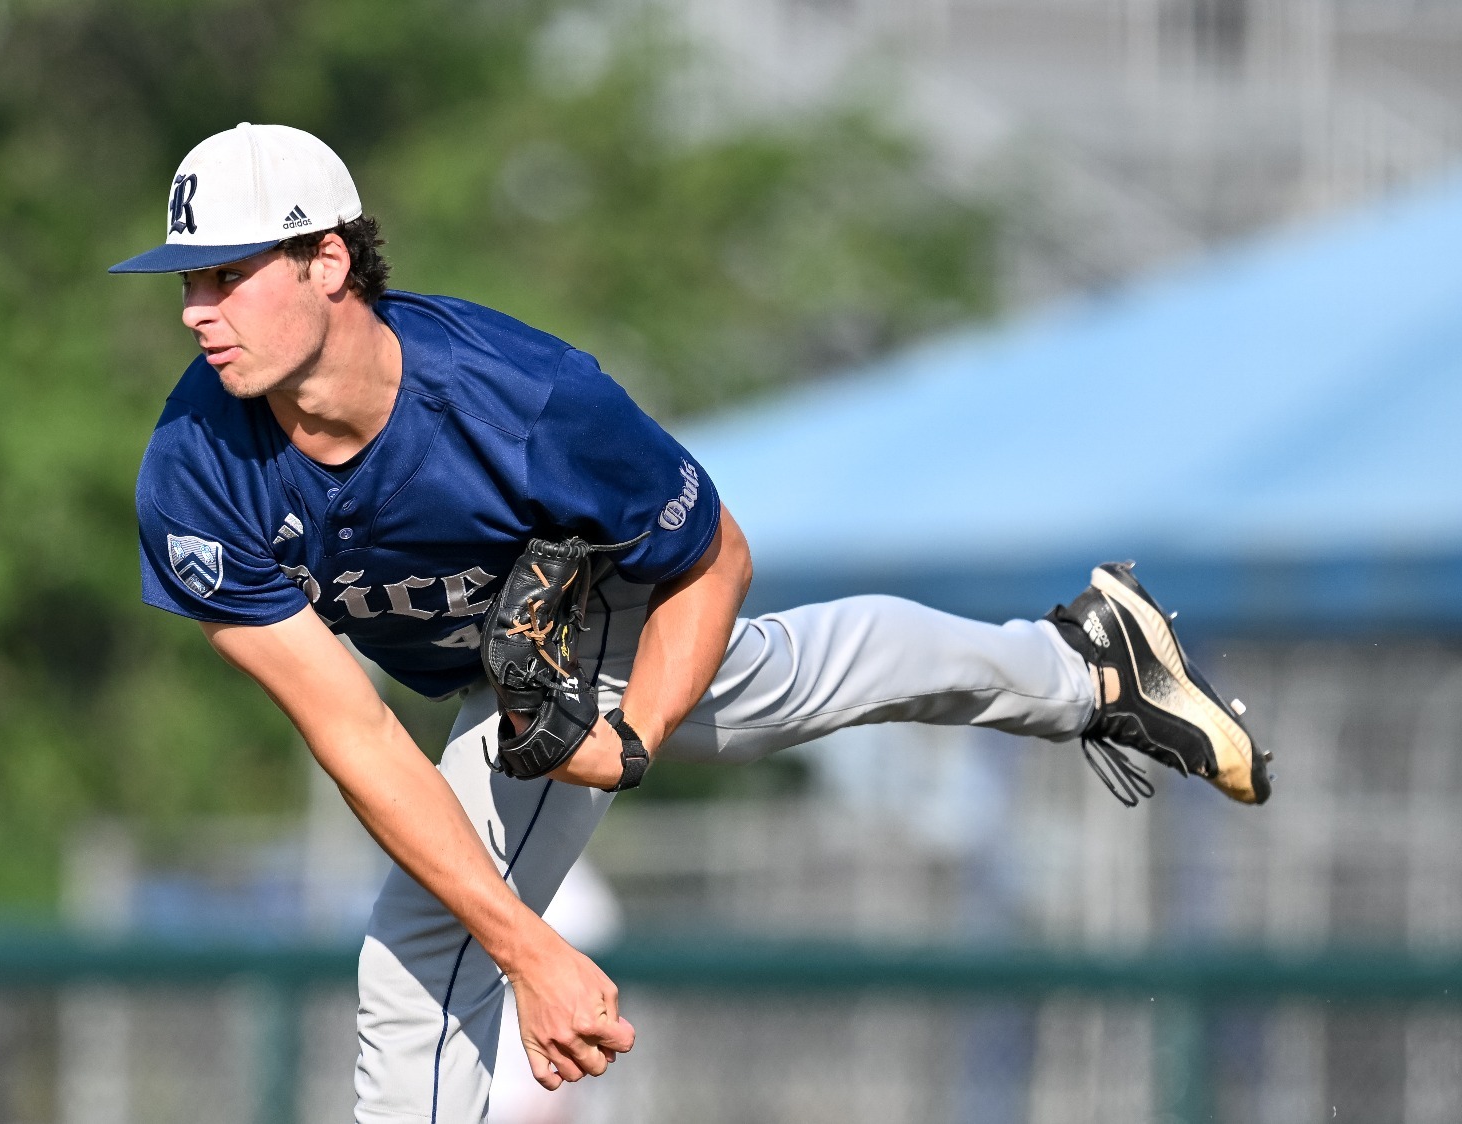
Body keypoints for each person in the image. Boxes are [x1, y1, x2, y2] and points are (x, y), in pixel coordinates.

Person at [110, 123, 1270, 1123]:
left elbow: (716, 559)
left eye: (226, 272)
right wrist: (534, 939)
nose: (197, 311)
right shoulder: (196, 464)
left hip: (609, 604)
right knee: (804, 674)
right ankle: (1082, 664)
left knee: (420, 955)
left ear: (327, 259)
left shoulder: (526, 402)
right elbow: (354, 731)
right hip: (496, 666)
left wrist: (626, 744)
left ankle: (1073, 667)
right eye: (186, 282)